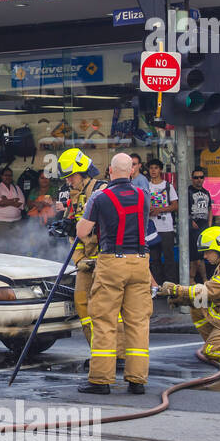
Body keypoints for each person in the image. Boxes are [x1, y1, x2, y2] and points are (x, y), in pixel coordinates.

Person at [77, 152, 152, 395]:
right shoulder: (143, 195)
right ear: (131, 171)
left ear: (110, 171)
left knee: (105, 321)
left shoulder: (100, 197)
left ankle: (100, 381)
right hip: (140, 262)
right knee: (138, 323)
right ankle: (137, 381)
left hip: (111, 262)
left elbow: (82, 231)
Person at [55, 149, 118, 359]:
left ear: (83, 172)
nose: (69, 182)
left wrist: (102, 258)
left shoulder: (103, 191)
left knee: (108, 310)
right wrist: (80, 259)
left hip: (106, 260)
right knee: (82, 303)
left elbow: (113, 228)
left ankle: (118, 354)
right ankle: (99, 353)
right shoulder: (75, 197)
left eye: (71, 176)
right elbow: (74, 234)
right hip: (86, 262)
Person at [157, 227, 220, 366]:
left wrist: (177, 290)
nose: (204, 256)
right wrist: (186, 299)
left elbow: (211, 290)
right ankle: (217, 341)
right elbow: (208, 293)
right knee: (197, 304)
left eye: (207, 251)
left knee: (212, 351)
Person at [145, 158, 178, 285]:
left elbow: (175, 205)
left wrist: (160, 210)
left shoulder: (167, 186)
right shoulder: (146, 186)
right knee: (154, 259)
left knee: (169, 258)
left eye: (156, 168)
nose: (153, 171)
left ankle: (171, 285)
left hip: (166, 228)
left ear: (160, 170)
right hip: (152, 229)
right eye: (151, 168)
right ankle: (157, 285)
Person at [0, 167, 25, 253]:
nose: (8, 177)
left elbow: (22, 202)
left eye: (10, 175)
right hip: (1, 222)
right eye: (6, 175)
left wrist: (6, 201)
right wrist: (14, 200)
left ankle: (15, 265)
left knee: (16, 246)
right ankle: (2, 266)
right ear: (2, 176)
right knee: (2, 247)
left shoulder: (16, 187)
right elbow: (0, 202)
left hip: (16, 221)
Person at [187, 168, 212, 284]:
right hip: (193, 227)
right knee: (194, 256)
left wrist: (210, 225)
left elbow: (210, 209)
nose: (199, 180)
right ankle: (192, 279)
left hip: (204, 227)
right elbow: (182, 208)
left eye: (201, 177)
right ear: (192, 179)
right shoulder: (188, 191)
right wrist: (190, 220)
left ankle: (204, 279)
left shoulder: (207, 193)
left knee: (202, 255)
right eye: (196, 177)